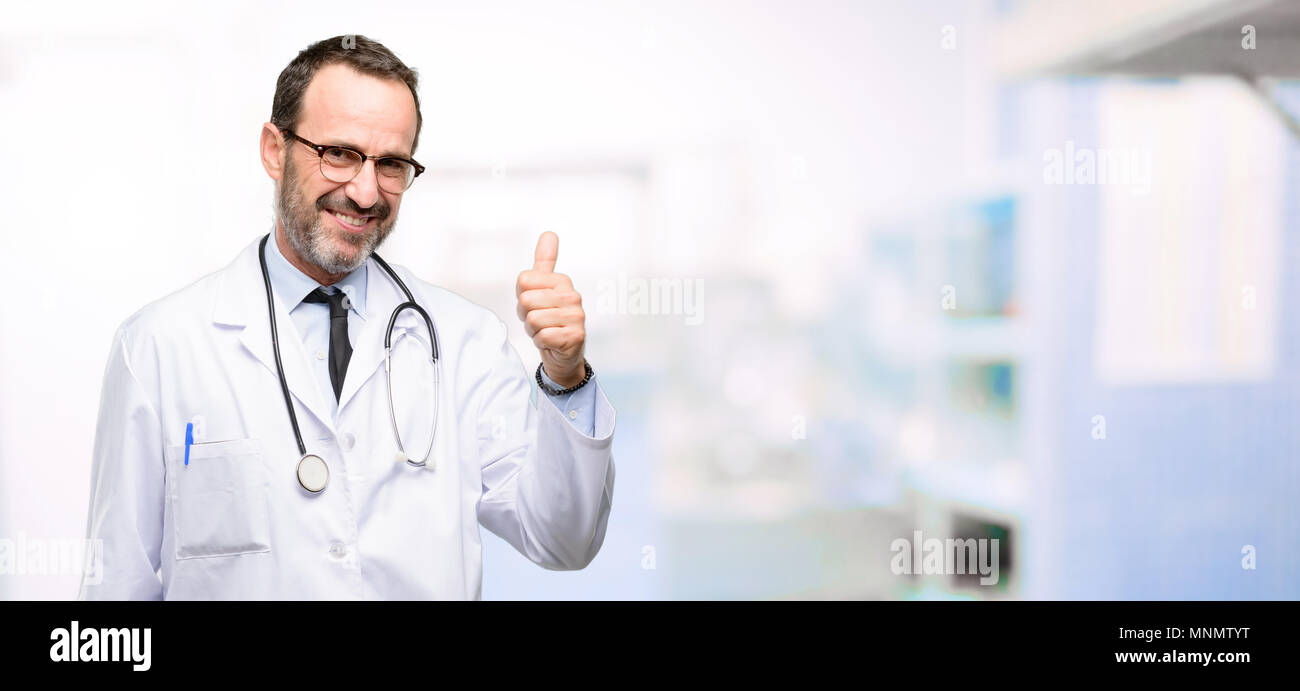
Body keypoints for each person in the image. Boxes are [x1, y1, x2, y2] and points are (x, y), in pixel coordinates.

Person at [77, 35, 615, 600]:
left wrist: (564, 376)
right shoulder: (160, 348)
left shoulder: (464, 342)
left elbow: (563, 539)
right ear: (274, 150)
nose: (364, 191)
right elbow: (116, 594)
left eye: (391, 164)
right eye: (340, 153)